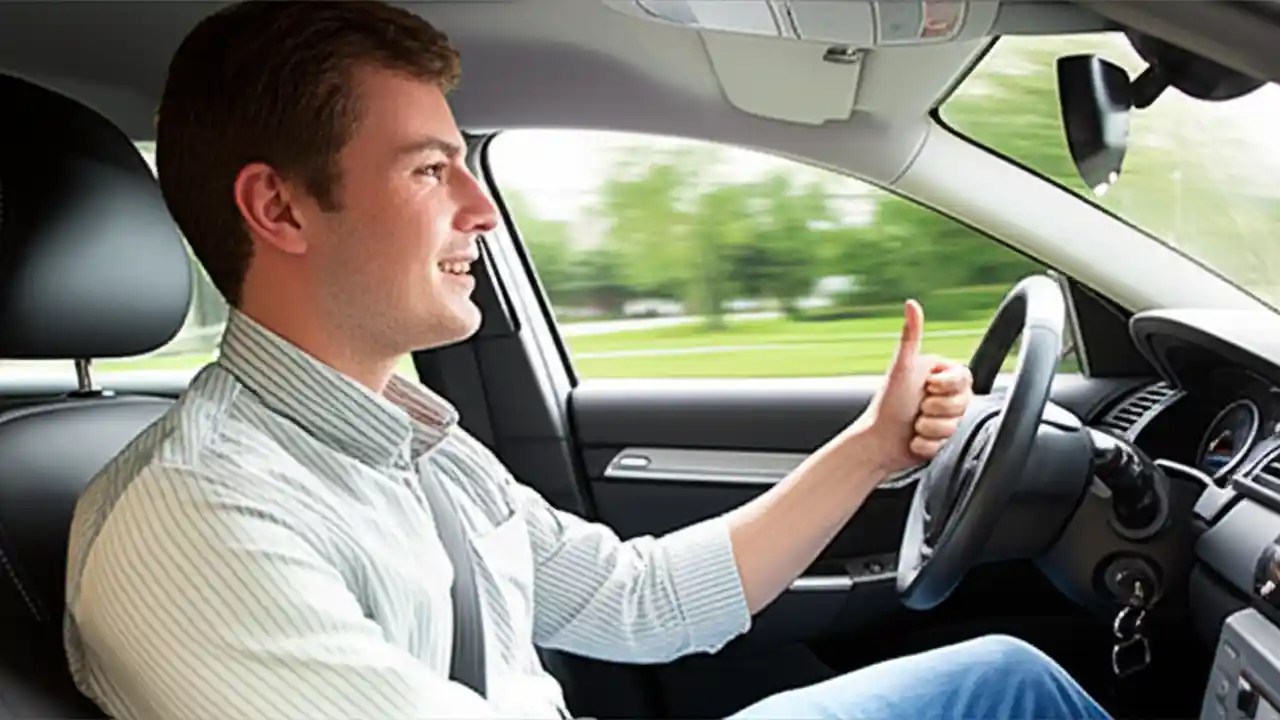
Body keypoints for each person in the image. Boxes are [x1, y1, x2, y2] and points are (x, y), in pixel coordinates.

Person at [62, 2, 1109, 719]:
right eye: (432, 171)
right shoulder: (197, 519)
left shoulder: (413, 448)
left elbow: (638, 600)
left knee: (1000, 678)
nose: (477, 209)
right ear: (278, 207)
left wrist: (871, 447)